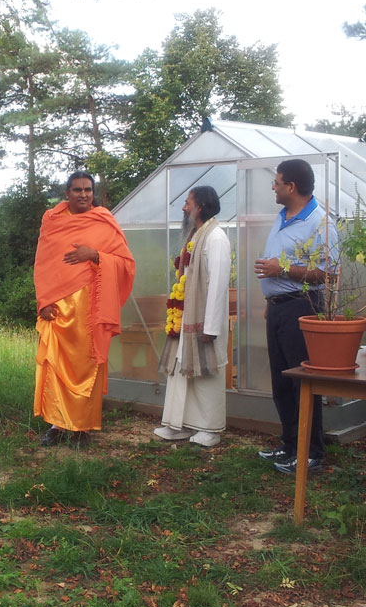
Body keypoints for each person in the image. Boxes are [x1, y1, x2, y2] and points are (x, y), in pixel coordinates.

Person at [34, 171, 136, 446]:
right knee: (56, 365)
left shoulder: (103, 222)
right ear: (66, 193)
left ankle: (82, 429)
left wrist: (95, 255)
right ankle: (57, 425)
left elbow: (126, 263)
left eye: (88, 190)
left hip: (91, 311)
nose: (83, 194)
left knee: (88, 366)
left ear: (93, 193)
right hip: (58, 310)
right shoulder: (52, 222)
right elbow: (42, 264)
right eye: (77, 189)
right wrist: (43, 301)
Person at [254, 158, 337, 474]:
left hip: (302, 308)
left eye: (276, 182)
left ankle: (311, 451)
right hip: (278, 308)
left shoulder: (320, 223)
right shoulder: (282, 216)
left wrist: (283, 270)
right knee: (281, 381)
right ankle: (290, 444)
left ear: (291, 186)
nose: (273, 187)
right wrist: (270, 299)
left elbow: (328, 273)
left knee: (302, 382)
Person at [154, 186, 231, 447]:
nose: (184, 208)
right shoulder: (196, 235)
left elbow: (219, 285)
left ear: (199, 207)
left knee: (205, 373)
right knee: (181, 370)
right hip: (186, 318)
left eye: (187, 203)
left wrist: (210, 327)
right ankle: (180, 425)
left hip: (205, 320)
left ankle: (209, 429)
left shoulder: (216, 237)